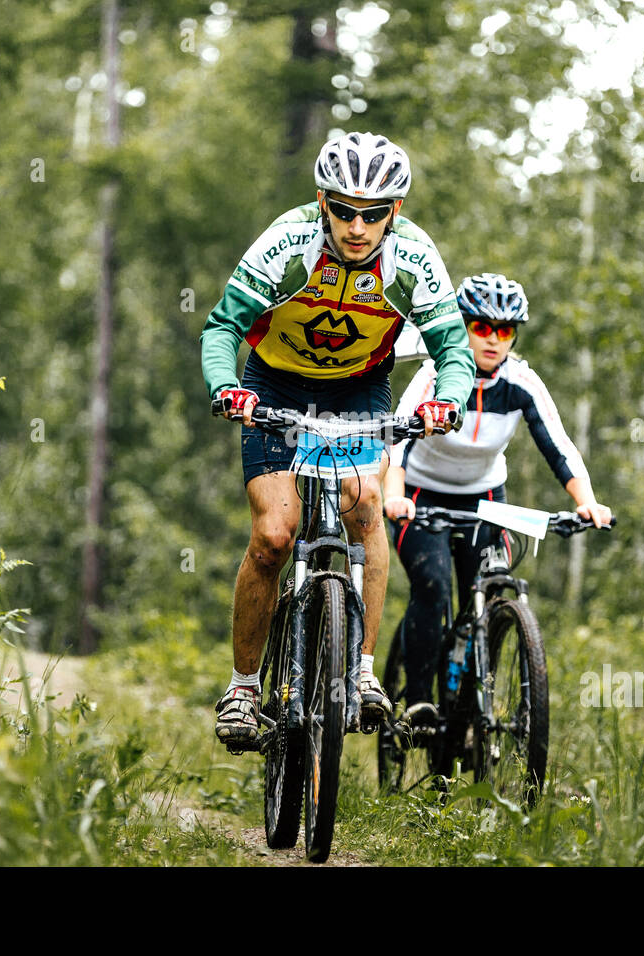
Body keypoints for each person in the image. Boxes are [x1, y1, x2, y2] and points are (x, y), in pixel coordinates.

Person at [201, 132, 474, 749]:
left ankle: (362, 673)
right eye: (344, 209)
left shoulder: (413, 257)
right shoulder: (288, 241)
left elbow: (453, 350)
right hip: (273, 382)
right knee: (275, 534)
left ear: (394, 212)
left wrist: (445, 402)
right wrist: (227, 388)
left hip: (358, 388)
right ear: (322, 202)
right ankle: (243, 689)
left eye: (374, 213)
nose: (357, 225)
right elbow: (222, 327)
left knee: (366, 507)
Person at [383, 272, 613, 721]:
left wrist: (587, 500)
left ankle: (471, 707)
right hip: (419, 495)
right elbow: (396, 441)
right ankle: (419, 705)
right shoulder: (435, 375)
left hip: (485, 498)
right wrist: (394, 495)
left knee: (489, 590)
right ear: (463, 326)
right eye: (481, 327)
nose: (493, 340)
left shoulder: (521, 382)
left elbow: (557, 444)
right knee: (432, 586)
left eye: (504, 330)